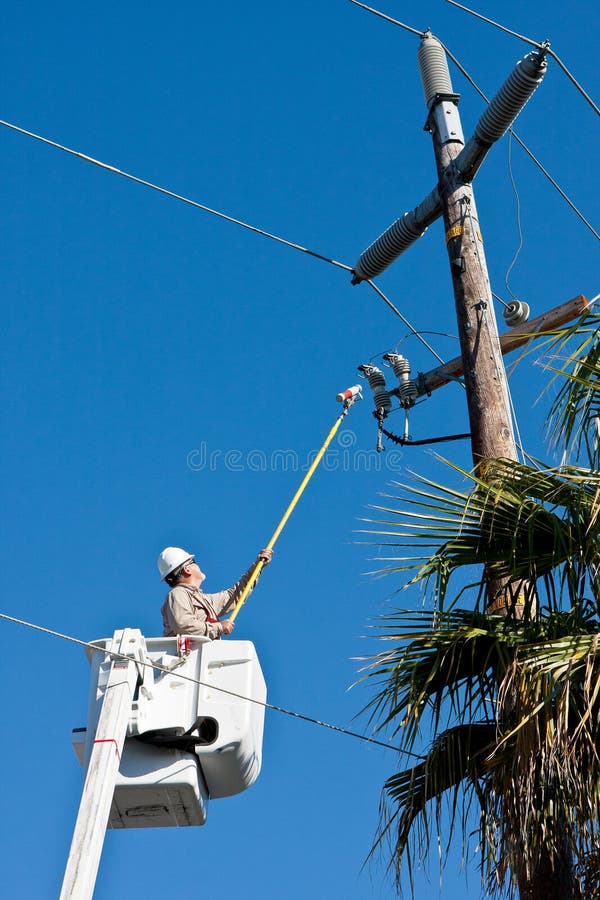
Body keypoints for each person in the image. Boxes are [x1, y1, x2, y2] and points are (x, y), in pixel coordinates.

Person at [158, 546, 273, 639]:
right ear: (186, 569)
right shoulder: (177, 594)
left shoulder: (203, 600)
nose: (197, 565)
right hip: (186, 661)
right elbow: (183, 625)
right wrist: (219, 627)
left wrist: (258, 566)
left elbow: (234, 595)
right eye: (193, 562)